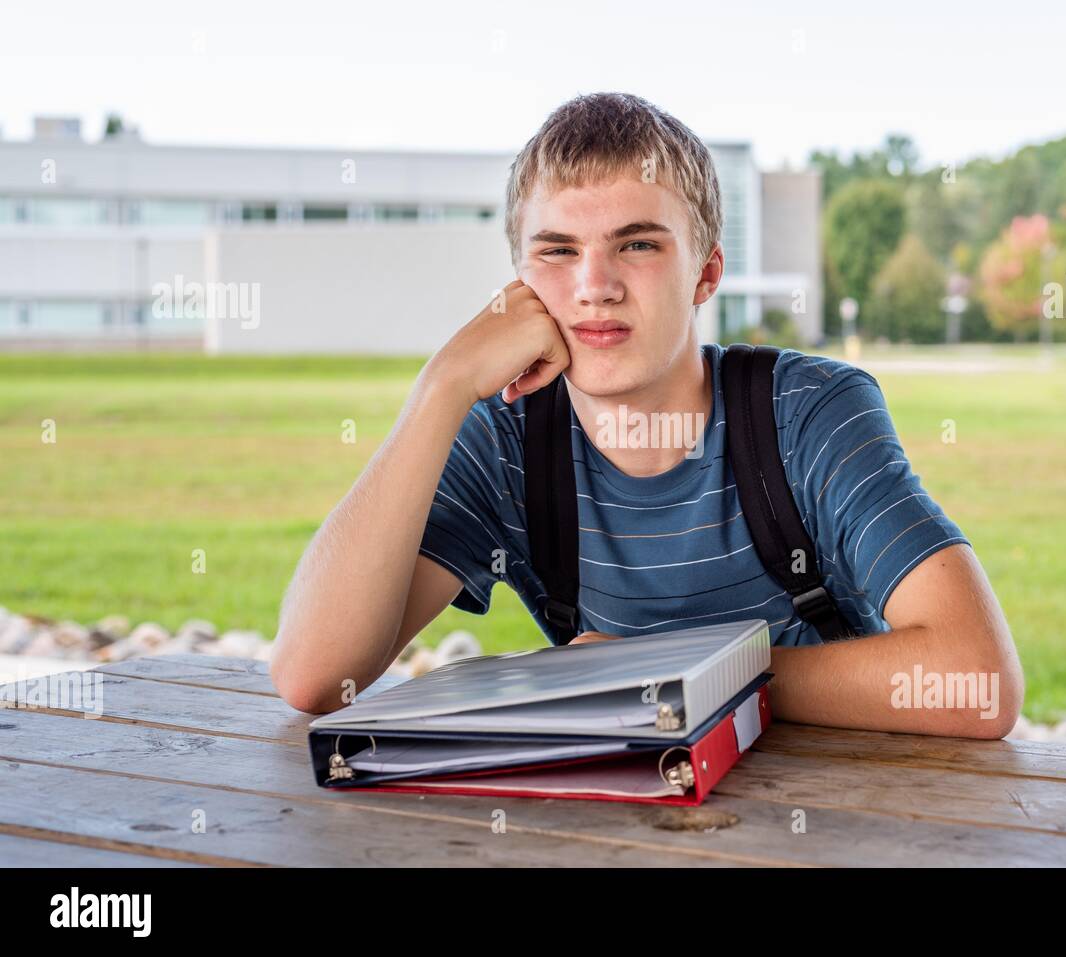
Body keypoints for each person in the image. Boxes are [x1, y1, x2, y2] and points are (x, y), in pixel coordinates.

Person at [271, 92, 1023, 737]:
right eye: (558, 251)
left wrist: (676, 674)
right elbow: (313, 675)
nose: (594, 286)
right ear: (518, 282)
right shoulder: (508, 439)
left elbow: (977, 679)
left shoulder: (806, 413)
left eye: (636, 243)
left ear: (706, 272)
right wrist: (440, 389)